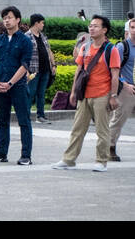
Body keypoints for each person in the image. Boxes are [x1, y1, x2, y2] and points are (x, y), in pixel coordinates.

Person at [51, 15, 122, 172]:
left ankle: (101, 161)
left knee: (102, 131)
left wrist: (114, 96)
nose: (91, 28)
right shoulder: (85, 47)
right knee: (77, 129)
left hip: (102, 94)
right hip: (84, 95)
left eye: (96, 26)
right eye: (90, 25)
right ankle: (68, 160)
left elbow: (115, 75)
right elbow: (79, 70)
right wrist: (73, 91)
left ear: (104, 30)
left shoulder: (112, 50)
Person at [0, 6, 34, 165]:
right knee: (2, 121)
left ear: (18, 19)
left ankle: (26, 155)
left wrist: (10, 83)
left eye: (9, 17)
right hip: (0, 87)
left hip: (18, 87)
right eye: (4, 18)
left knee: (24, 121)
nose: (6, 21)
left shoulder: (25, 41)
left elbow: (24, 65)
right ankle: (1, 153)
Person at [106, 17, 135, 161]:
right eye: (133, 27)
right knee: (119, 118)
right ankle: (110, 147)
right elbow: (114, 69)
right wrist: (124, 83)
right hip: (127, 88)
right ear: (128, 30)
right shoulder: (122, 47)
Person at [26, 13, 56, 123]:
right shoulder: (26, 37)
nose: (43, 25)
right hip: (33, 70)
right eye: (42, 23)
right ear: (36, 23)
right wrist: (26, 71)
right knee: (30, 93)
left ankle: (41, 115)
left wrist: (53, 65)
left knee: (41, 93)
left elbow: (49, 51)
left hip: (45, 70)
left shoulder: (43, 36)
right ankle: (26, 115)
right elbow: (23, 55)